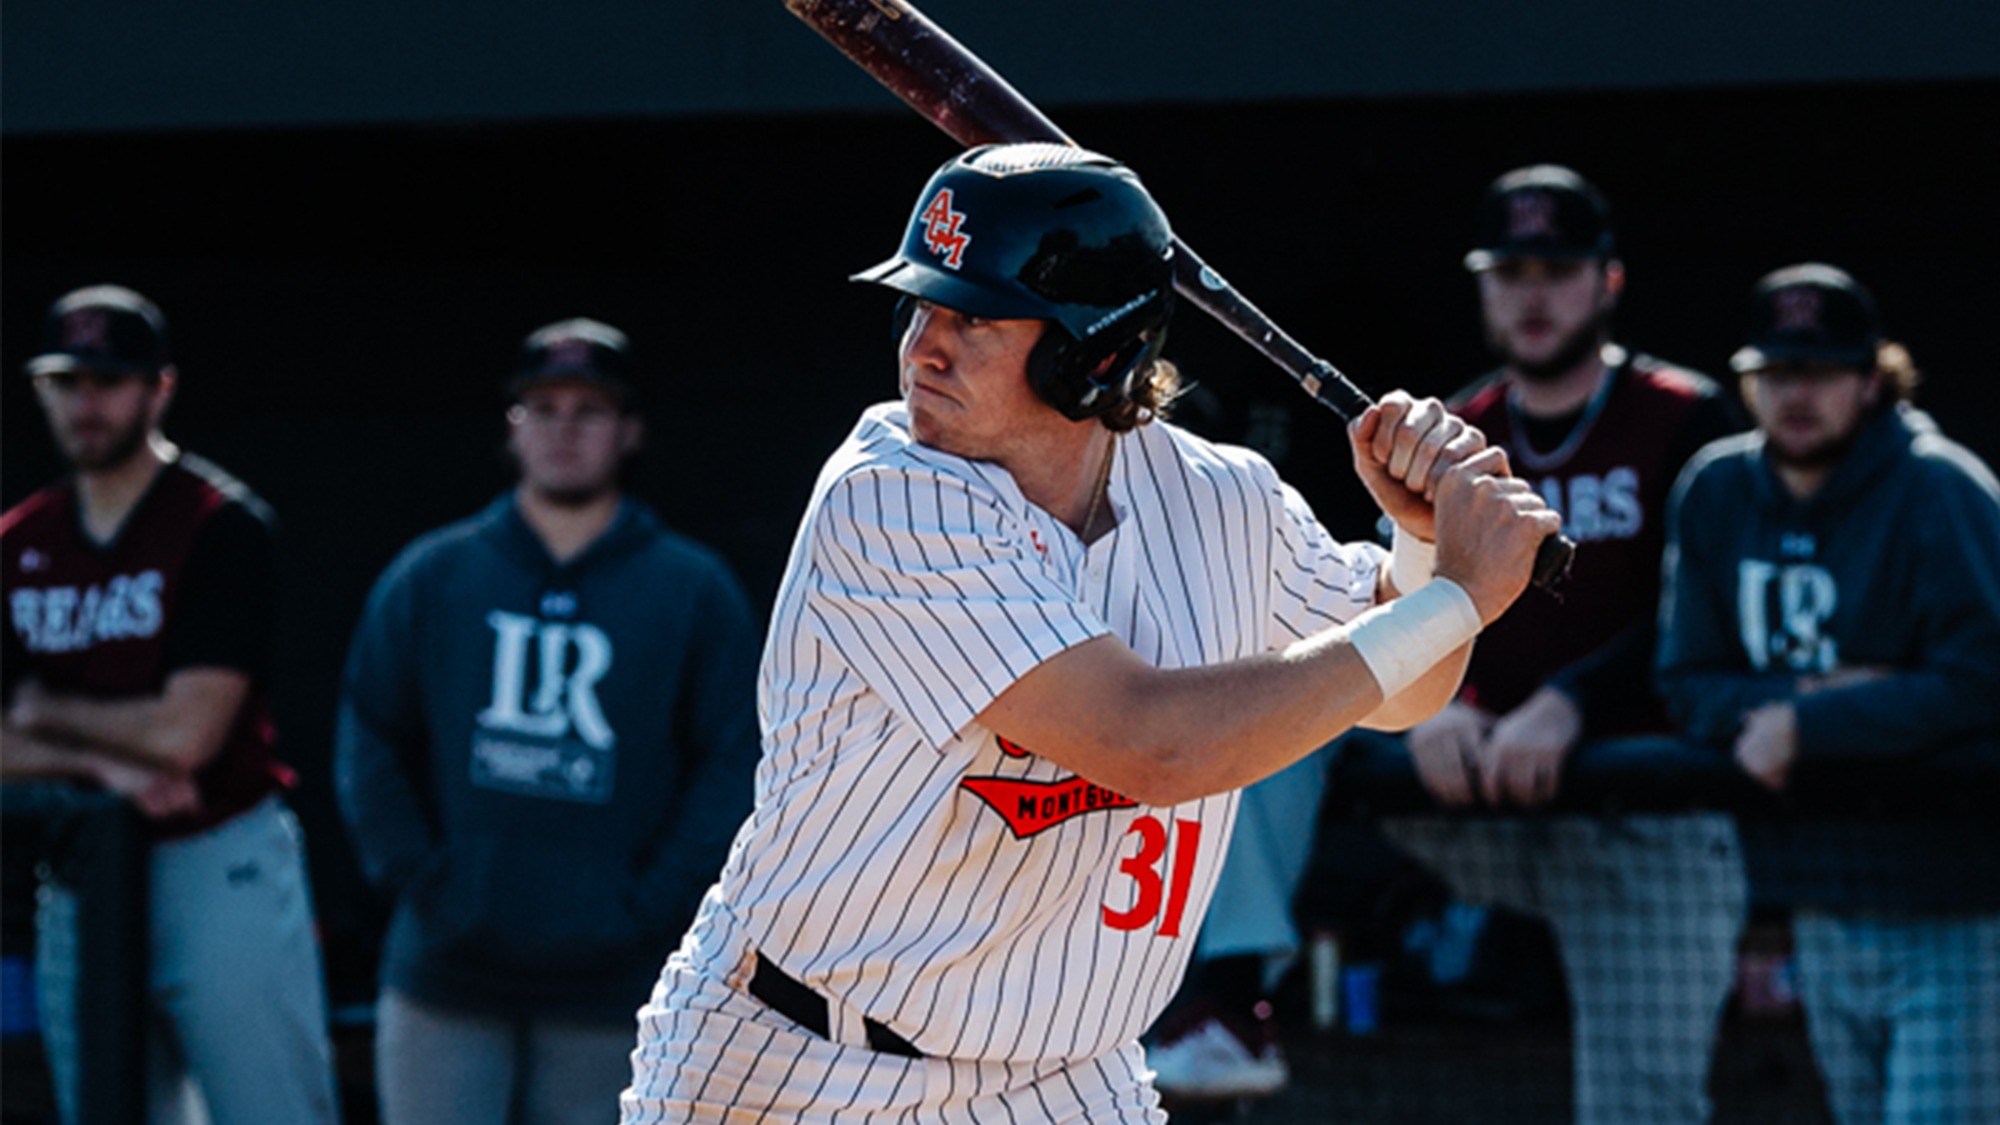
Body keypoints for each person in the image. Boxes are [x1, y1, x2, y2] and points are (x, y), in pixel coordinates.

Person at [620, 142, 1560, 1124]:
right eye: (921, 306)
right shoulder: (887, 497)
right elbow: (1148, 744)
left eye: (973, 318)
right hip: (799, 1057)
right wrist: (1457, 595)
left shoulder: (1221, 500)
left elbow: (1405, 692)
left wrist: (1414, 551)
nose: (923, 347)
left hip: (1058, 1074)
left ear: (1093, 349)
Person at [1149, 164, 1751, 1125]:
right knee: (1290, 688)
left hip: (1639, 803)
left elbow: (1712, 619)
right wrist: (1440, 695)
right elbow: (1391, 591)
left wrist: (1575, 701)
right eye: (1511, 270)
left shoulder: (1688, 415)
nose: (1534, 292)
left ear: (1608, 283)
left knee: (1642, 1105)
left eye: (1557, 268)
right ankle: (1230, 993)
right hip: (1466, 781)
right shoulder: (1459, 430)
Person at [334, 316, 762, 1125]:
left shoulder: (691, 588)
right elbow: (370, 733)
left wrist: (647, 905)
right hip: (444, 971)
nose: (565, 429)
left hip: (614, 986)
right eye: (545, 407)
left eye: (589, 409)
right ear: (513, 425)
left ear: (629, 430)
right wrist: (426, 882)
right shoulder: (436, 572)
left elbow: (734, 761)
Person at [1658, 263, 2000, 1124]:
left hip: (1959, 900)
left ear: (1873, 379)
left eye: (1820, 372)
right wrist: (1809, 703)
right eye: (1776, 373)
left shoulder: (1942, 488)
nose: (1796, 394)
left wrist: (1802, 721)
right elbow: (1687, 682)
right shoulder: (1717, 489)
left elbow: (1980, 682)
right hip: (1818, 894)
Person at [0, 284, 341, 1125]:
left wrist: (44, 714)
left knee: (269, 1111)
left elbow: (187, 734)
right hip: (79, 863)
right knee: (107, 1109)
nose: (87, 402)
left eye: (109, 380)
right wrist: (102, 761)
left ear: (159, 389)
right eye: (67, 381)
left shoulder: (218, 524)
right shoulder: (20, 541)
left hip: (214, 853)